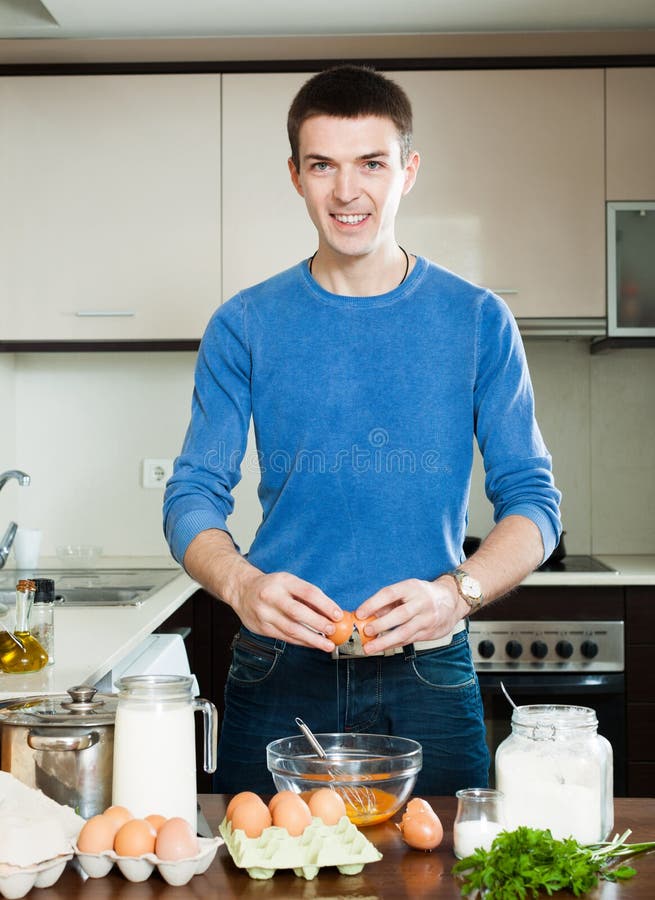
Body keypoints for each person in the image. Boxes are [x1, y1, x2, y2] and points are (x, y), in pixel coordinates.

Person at [163, 64, 561, 796]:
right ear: (295, 176)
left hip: (428, 671)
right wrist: (240, 583)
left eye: (370, 164)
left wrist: (457, 593)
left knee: (444, 871)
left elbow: (534, 502)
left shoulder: (476, 320)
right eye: (323, 166)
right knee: (264, 871)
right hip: (277, 665)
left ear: (407, 171)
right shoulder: (245, 323)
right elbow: (191, 492)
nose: (347, 192)